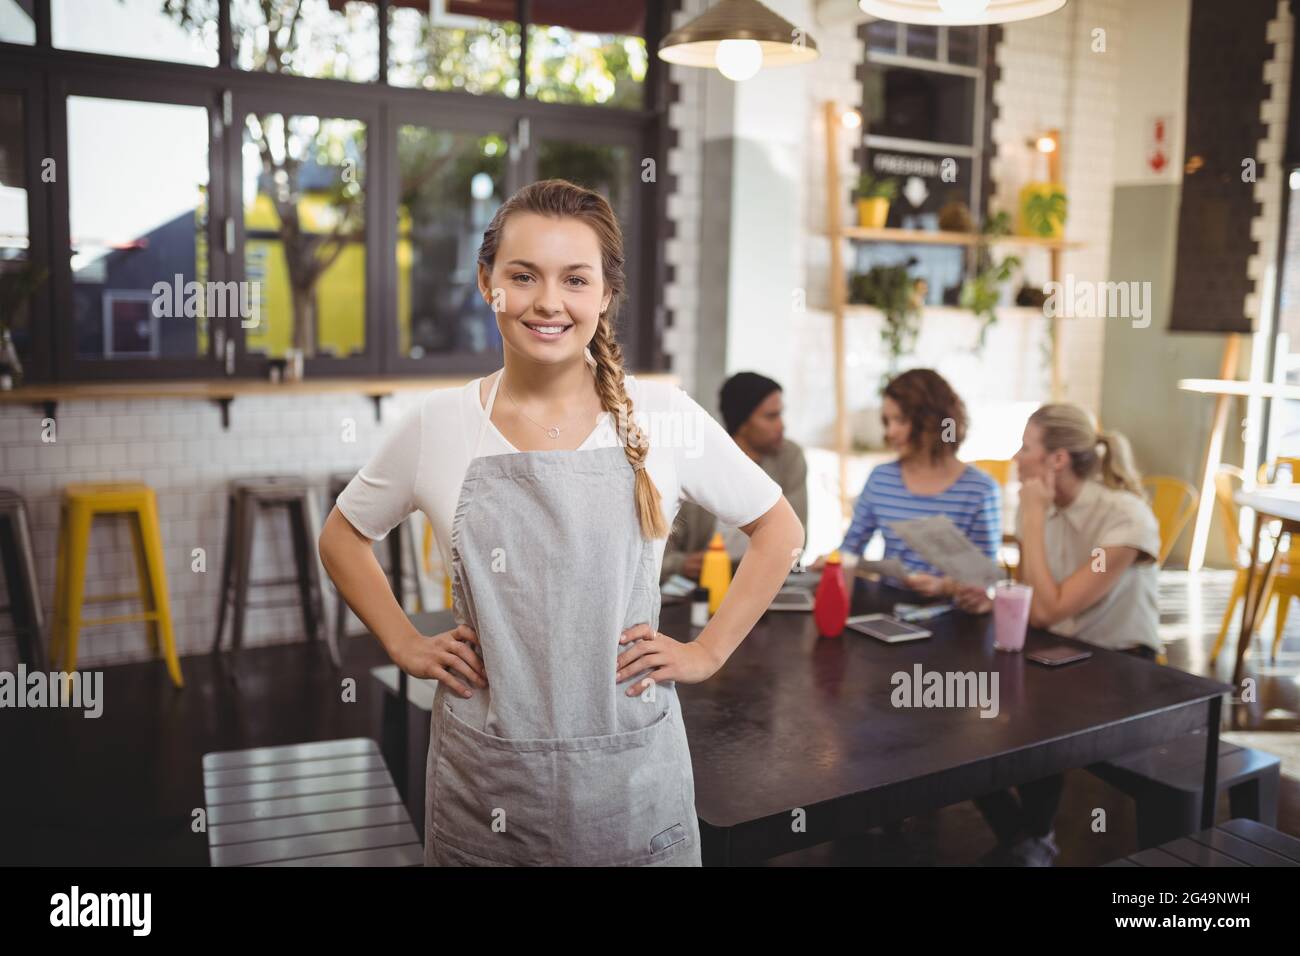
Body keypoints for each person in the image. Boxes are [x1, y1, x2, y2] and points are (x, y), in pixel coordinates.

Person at [319, 179, 803, 867]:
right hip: (486, 786)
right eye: (523, 276)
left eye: (575, 279)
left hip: (631, 786)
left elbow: (780, 530)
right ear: (489, 282)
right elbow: (341, 536)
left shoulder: (662, 417)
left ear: (605, 294)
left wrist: (708, 652)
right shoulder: (440, 426)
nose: (548, 301)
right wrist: (402, 641)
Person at [953, 403, 1161, 866]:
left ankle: (1032, 840)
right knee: (956, 714)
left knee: (1028, 713)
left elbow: (1047, 610)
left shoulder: (1125, 517)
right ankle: (1029, 840)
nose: (1016, 458)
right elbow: (1036, 596)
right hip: (1062, 652)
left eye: (1026, 447)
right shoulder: (1046, 507)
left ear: (1057, 460)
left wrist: (1030, 518)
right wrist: (997, 599)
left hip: (1122, 666)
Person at [812, 368, 1001, 596]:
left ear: (932, 422)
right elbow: (851, 547)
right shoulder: (881, 478)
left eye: (900, 420)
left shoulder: (980, 489)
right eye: (887, 421)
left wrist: (945, 587)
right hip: (887, 610)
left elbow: (984, 580)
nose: (890, 432)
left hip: (954, 616)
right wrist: (831, 561)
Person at [661, 372, 808, 582]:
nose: (782, 426)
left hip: (767, 578)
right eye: (771, 416)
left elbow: (797, 538)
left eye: (780, 414)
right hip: (703, 582)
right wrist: (682, 564)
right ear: (743, 422)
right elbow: (661, 550)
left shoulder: (789, 457)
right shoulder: (700, 463)